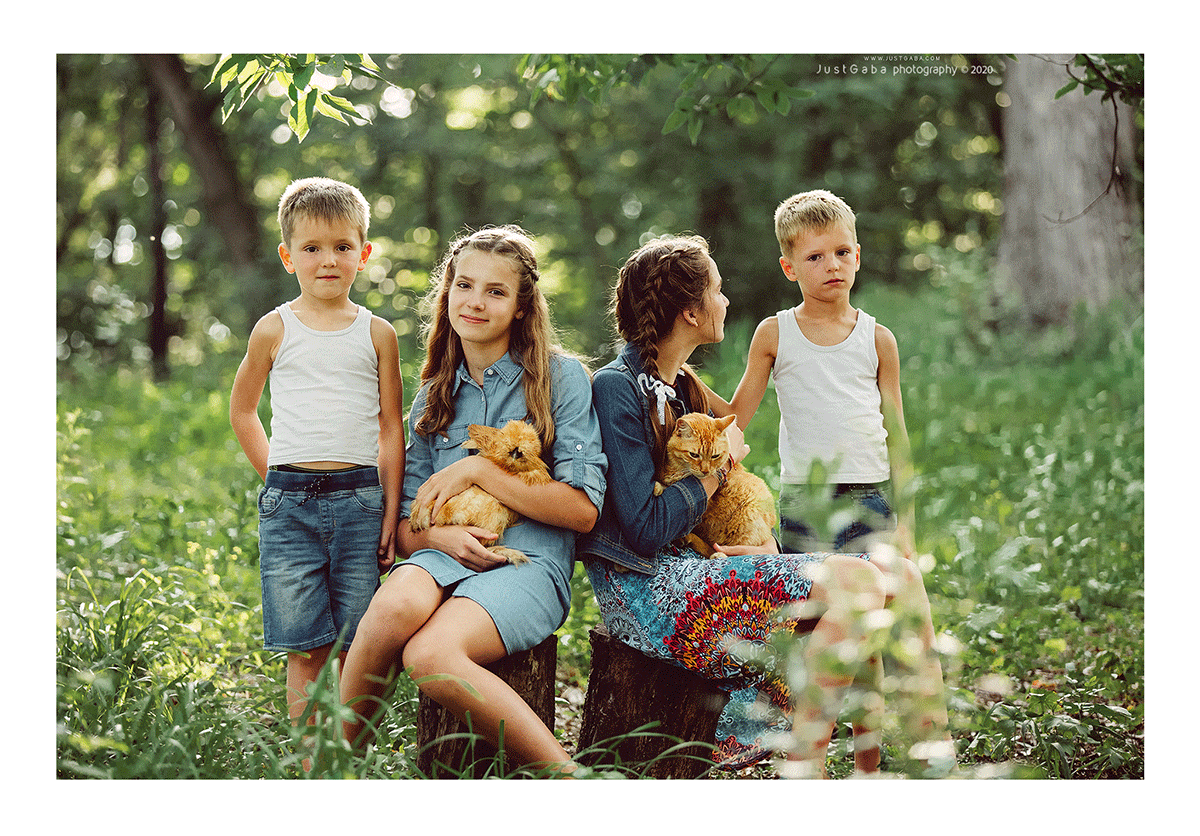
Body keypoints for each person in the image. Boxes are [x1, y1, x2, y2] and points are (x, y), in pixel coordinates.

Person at [578, 234, 953, 777]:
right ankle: (804, 772)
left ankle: (937, 765)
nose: (726, 300)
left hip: (698, 564)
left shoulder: (680, 385)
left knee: (903, 577)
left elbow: (723, 476)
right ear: (691, 312)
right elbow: (643, 526)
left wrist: (757, 547)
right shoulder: (618, 388)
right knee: (857, 582)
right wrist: (717, 471)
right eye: (718, 290)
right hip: (648, 591)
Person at [339, 225, 606, 773]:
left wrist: (479, 468)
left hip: (527, 563)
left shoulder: (560, 379)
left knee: (429, 655)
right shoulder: (434, 396)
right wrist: (439, 538)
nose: (475, 302)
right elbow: (407, 527)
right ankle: (332, 770)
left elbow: (582, 511)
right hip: (443, 556)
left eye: (496, 291)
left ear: (522, 306)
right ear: (448, 293)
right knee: (392, 608)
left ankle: (570, 780)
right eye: (464, 285)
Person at [229, 177, 405, 744]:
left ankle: (347, 757)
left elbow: (391, 427)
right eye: (311, 248)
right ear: (288, 257)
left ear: (364, 253)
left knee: (357, 645)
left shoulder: (378, 334)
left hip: (360, 502)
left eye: (342, 246)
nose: (328, 260)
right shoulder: (273, 328)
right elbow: (243, 411)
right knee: (305, 649)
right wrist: (277, 478)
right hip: (290, 508)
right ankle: (311, 767)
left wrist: (389, 511)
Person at [729, 189, 914, 559]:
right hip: (805, 499)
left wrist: (907, 522)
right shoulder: (774, 334)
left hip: (870, 496)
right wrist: (683, 373)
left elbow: (897, 436)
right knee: (814, 593)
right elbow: (735, 418)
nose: (832, 265)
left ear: (857, 257)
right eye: (815, 257)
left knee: (875, 592)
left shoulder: (878, 339)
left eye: (842, 252)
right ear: (789, 268)